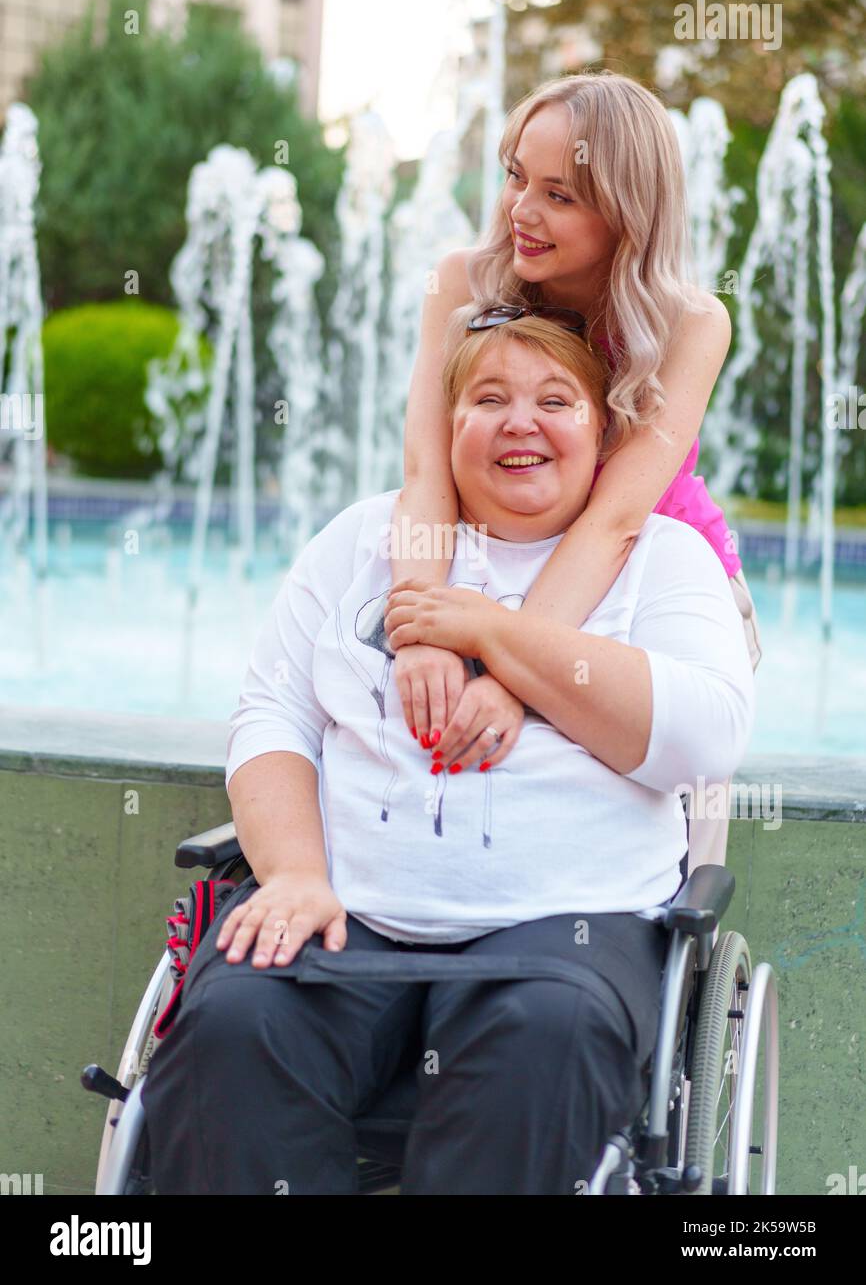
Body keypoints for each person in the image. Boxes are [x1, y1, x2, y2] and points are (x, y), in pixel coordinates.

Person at [140, 308, 755, 1196]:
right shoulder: (360, 542)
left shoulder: (662, 563)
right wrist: (294, 873)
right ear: (447, 422)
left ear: (602, 432)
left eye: (556, 400)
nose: (521, 422)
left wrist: (494, 635)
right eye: (489, 398)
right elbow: (272, 718)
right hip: (348, 910)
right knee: (237, 1020)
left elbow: (703, 741)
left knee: (542, 1042)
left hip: (566, 931)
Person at [389, 69, 761, 875]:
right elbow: (426, 474)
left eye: (559, 195)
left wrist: (514, 672)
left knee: (675, 844)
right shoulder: (463, 283)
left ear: (626, 208)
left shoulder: (691, 322)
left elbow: (616, 520)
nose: (521, 210)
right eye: (517, 176)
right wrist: (418, 632)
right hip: (499, 564)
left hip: (653, 585)